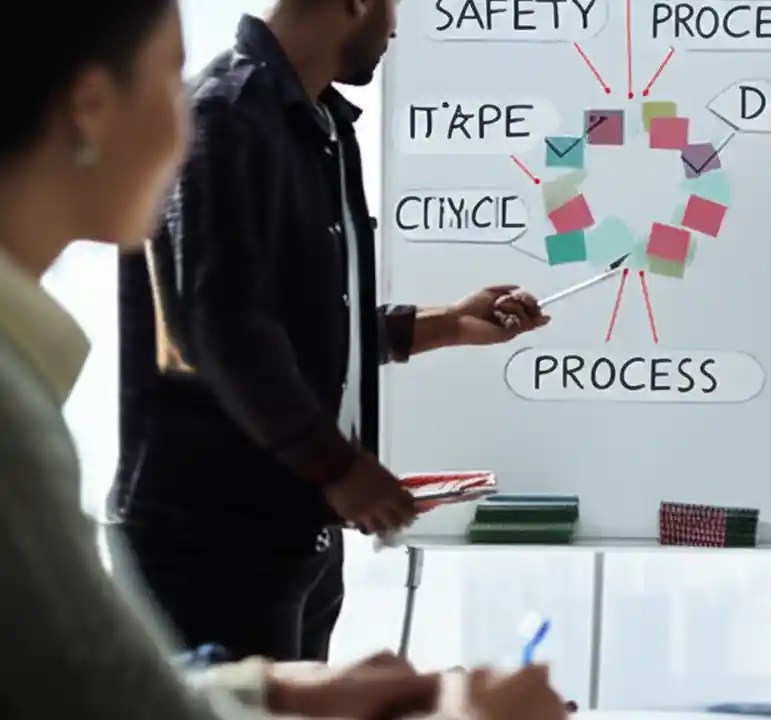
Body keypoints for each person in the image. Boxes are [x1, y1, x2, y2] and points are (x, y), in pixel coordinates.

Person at [0, 1, 566, 718]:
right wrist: (334, 464)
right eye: (166, 74)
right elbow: (221, 322)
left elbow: (303, 318)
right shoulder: (225, 115)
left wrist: (446, 324)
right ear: (88, 105)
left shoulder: (322, 125)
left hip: (295, 531)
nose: (181, 113)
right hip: (213, 538)